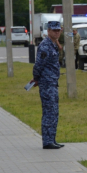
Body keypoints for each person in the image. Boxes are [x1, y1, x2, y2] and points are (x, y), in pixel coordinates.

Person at [33, 21, 64, 149]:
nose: (57, 32)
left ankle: (52, 139)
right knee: (49, 112)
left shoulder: (53, 45)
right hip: (46, 83)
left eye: (58, 30)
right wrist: (36, 78)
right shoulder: (45, 46)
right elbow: (38, 65)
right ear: (48, 31)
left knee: (54, 112)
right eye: (54, 30)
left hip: (52, 82)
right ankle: (47, 141)